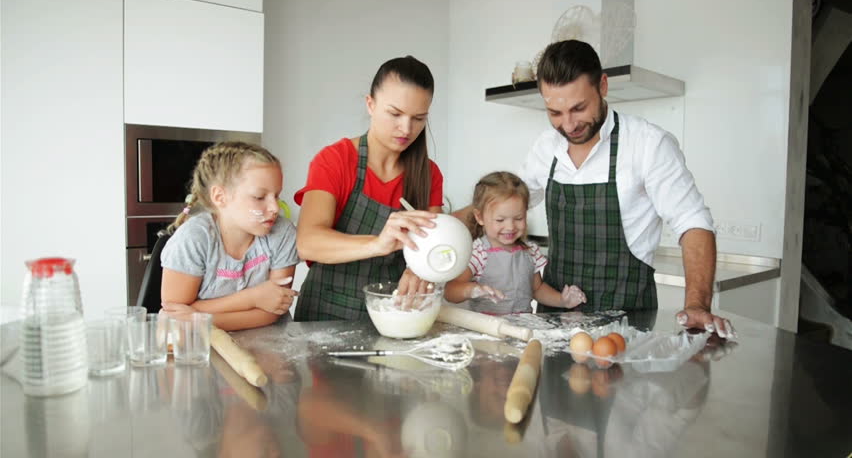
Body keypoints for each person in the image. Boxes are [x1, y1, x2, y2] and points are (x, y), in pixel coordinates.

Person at [459, 40, 734, 337]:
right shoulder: (546, 147)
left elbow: (693, 222)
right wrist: (436, 228)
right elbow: (501, 201)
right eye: (555, 112)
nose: (568, 125)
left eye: (579, 108)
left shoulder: (648, 144)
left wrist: (696, 304)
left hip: (627, 323)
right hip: (556, 322)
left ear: (602, 86)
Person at [294, 56, 443, 321]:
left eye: (418, 118)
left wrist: (421, 270)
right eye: (395, 114)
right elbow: (308, 243)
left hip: (393, 314)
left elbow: (437, 246)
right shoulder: (335, 160)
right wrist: (378, 243)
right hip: (324, 312)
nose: (406, 129)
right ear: (370, 104)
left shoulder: (428, 175)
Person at [160, 141, 300, 331]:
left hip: (270, 346)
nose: (274, 208)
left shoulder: (282, 233)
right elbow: (175, 316)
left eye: (277, 196)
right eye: (259, 197)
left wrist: (200, 318)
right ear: (220, 197)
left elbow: (274, 310)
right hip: (200, 348)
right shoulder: (194, 239)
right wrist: (253, 298)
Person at [444, 171, 587, 314]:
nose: (510, 227)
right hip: (487, 332)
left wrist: (562, 300)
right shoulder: (478, 253)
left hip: (523, 329)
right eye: (500, 220)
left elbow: (537, 289)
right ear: (480, 217)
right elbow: (450, 291)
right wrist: (472, 290)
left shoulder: (530, 251)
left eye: (518, 218)